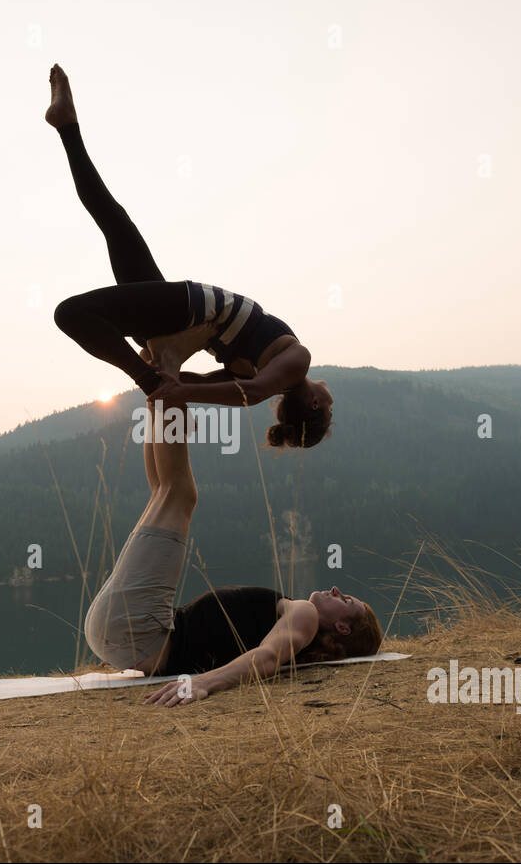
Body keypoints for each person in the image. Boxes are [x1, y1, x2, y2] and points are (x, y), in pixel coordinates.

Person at [46, 63, 334, 449]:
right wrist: (178, 389)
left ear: (313, 401)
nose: (333, 400)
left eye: (330, 410)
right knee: (113, 221)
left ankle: (146, 381)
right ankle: (67, 125)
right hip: (176, 316)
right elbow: (222, 387)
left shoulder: (297, 361)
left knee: (72, 310)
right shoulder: (255, 367)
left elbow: (248, 390)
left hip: (187, 308)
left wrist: (170, 388)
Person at [82, 396, 382, 708]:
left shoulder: (305, 615)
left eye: (345, 600)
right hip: (134, 634)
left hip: (142, 631)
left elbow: (266, 658)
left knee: (178, 494)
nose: (336, 590)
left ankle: (163, 393)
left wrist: (202, 683)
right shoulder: (294, 624)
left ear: (343, 628)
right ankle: (157, 400)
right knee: (165, 491)